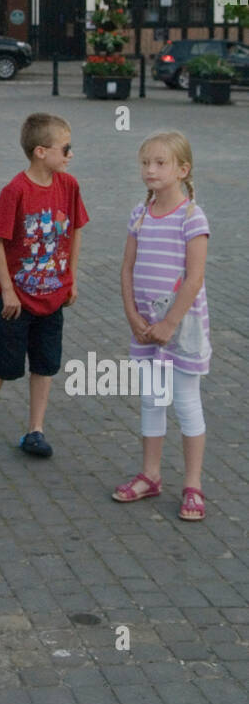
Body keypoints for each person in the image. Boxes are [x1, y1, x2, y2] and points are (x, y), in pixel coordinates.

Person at [0, 113, 88, 458]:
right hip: (18, 299)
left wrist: (71, 277)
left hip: (53, 296)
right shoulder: (15, 191)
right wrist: (7, 289)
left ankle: (35, 429)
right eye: (65, 148)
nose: (70, 154)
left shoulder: (69, 186)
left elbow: (76, 228)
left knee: (45, 364)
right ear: (40, 152)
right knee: (2, 361)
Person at [113, 131, 210, 520]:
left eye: (160, 163)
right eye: (145, 163)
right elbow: (127, 268)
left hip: (181, 331)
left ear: (182, 170)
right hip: (146, 328)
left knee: (186, 403)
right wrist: (133, 317)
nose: (150, 170)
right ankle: (150, 475)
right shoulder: (139, 213)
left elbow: (194, 278)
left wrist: (170, 323)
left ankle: (193, 485)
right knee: (152, 399)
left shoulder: (192, 217)